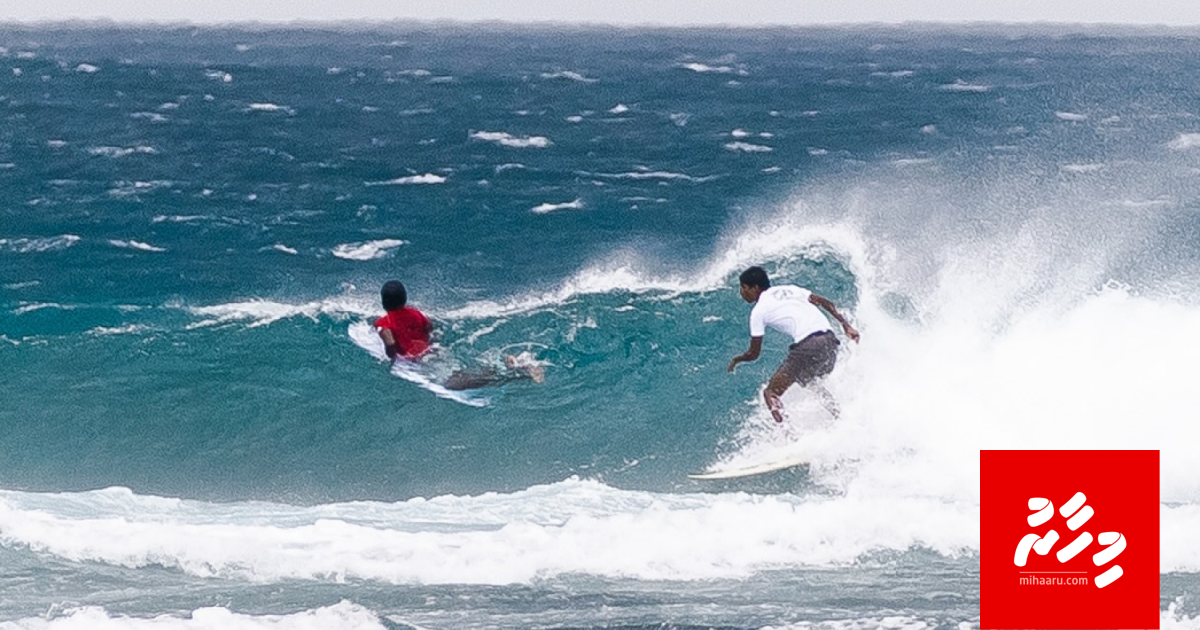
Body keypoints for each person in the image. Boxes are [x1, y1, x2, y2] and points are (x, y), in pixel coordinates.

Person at [727, 266, 859, 423]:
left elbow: (753, 354)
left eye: (743, 287)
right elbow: (824, 302)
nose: (742, 292)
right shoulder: (790, 289)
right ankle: (840, 417)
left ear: (755, 288)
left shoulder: (758, 311)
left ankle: (789, 435)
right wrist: (846, 325)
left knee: (771, 393)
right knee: (809, 380)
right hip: (830, 341)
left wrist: (737, 359)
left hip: (808, 344)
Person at [374, 280, 544, 390]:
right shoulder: (415, 313)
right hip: (433, 352)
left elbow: (389, 343)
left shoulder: (384, 323)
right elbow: (430, 327)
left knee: (453, 384)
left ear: (383, 302)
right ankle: (507, 367)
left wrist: (391, 357)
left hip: (419, 360)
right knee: (462, 374)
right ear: (404, 298)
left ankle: (520, 372)